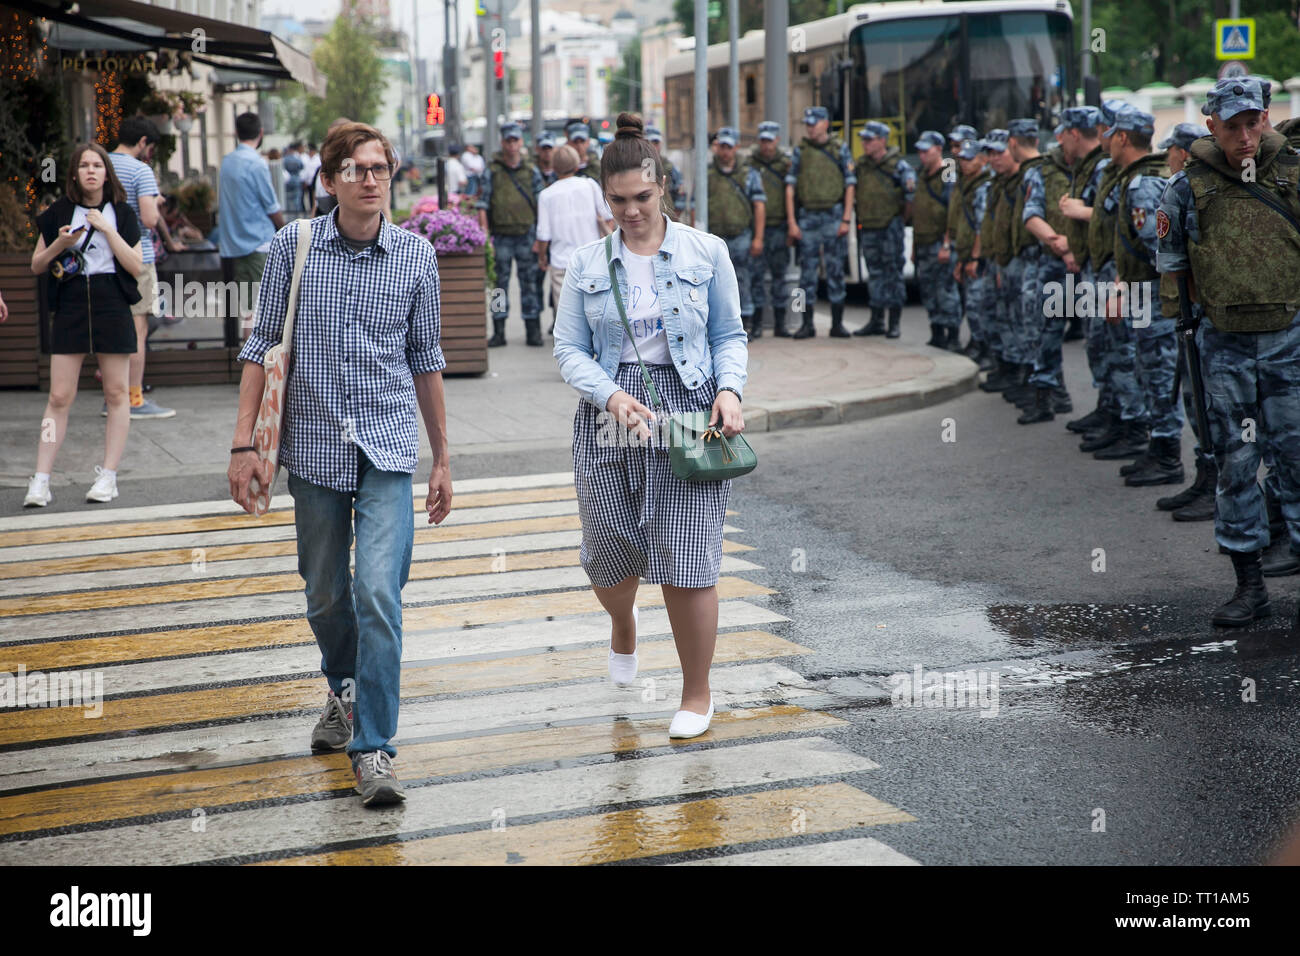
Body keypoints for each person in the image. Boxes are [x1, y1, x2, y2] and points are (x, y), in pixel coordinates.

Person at [229, 121, 453, 803]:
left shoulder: (417, 258)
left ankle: (374, 748)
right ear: (327, 181)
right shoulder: (292, 249)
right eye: (354, 169)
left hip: (387, 451)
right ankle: (343, 688)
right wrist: (243, 445)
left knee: (378, 595)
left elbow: (427, 362)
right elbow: (260, 348)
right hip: (316, 452)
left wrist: (443, 458)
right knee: (327, 595)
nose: (369, 178)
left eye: (380, 167)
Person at [552, 111, 749, 739]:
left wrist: (730, 388)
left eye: (641, 197)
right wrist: (609, 396)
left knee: (686, 556)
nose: (630, 211)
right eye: (617, 201)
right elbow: (568, 349)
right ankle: (623, 620)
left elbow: (728, 334)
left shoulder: (705, 251)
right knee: (607, 552)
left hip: (686, 410)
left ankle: (696, 693)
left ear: (662, 186)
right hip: (609, 414)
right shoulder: (586, 264)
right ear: (603, 197)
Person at [1156, 77, 1300, 627]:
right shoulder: (1187, 188)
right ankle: (1250, 587)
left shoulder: (1291, 173)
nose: (1244, 136)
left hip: (1290, 343)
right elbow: (1173, 268)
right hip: (1226, 350)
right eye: (1232, 127)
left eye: (1252, 123)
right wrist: (1189, 327)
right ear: (1212, 126)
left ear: (1264, 119)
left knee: (1296, 460)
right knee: (1235, 466)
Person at [24, 143, 144, 508]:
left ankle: (108, 475)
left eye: (97, 165)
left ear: (107, 173)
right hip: (72, 301)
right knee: (59, 396)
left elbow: (137, 266)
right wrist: (60, 242)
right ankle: (40, 478)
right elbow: (36, 265)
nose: (91, 171)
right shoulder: (57, 212)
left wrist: (108, 229)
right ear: (74, 174)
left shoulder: (122, 213)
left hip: (112, 301)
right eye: (83, 166)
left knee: (117, 393)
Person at [1106, 108, 1181, 483]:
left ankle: (1168, 453)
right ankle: (1159, 446)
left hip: (1153, 293)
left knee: (1159, 370)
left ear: (1122, 138)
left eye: (1111, 134)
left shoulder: (1141, 183)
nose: (1106, 140)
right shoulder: (1138, 177)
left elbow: (1159, 249)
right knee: (1149, 368)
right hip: (1144, 290)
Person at [1151, 120, 1216, 523]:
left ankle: (1218, 487)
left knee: (1213, 408)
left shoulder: (1196, 186)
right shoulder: (1181, 187)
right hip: (1189, 312)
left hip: (1212, 316)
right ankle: (1207, 479)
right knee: (1197, 404)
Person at [109, 116, 179, 420]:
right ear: (142, 143)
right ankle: (133, 399)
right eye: (149, 147)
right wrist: (154, 201)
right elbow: (150, 219)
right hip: (138, 257)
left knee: (113, 330)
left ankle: (113, 397)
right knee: (137, 329)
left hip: (106, 257)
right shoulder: (141, 170)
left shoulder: (100, 164)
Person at [1011, 117, 1077, 424]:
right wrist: (1058, 243)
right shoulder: (1042, 171)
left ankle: (1118, 414)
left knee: (1107, 337)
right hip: (1056, 264)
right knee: (1048, 332)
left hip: (1094, 264)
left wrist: (1077, 245)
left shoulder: (1100, 168)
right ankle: (1046, 397)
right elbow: (1031, 214)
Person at [1056, 106, 1114, 435]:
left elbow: (1115, 215)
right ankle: (1108, 409)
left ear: (1074, 133)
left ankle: (1125, 421)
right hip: (1093, 267)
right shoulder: (1087, 166)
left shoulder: (1102, 167)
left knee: (1113, 346)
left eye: (1062, 134)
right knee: (1098, 344)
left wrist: (1077, 211)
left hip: (1107, 269)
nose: (1060, 141)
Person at [786, 106, 859, 339]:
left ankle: (837, 324)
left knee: (836, 271)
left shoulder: (840, 148)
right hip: (808, 218)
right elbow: (790, 187)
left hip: (833, 216)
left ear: (826, 123)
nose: (810, 127)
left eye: (814, 123)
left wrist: (846, 218)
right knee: (805, 275)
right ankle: (805, 324)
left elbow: (850, 185)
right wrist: (792, 222)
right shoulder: (801, 151)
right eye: (807, 123)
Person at [218, 112, 285, 341]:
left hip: (234, 245)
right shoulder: (256, 164)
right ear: (261, 133)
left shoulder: (226, 162)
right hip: (259, 243)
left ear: (236, 133)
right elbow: (271, 204)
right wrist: (285, 230)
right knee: (260, 309)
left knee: (248, 308)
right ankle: (254, 363)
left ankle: (246, 359)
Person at [477, 122, 545, 347]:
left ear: (521, 142)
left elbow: (541, 205)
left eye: (516, 140)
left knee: (530, 284)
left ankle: (532, 329)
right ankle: (499, 329)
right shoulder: (492, 171)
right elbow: (483, 205)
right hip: (501, 237)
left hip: (526, 234)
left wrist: (539, 237)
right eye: (508, 140)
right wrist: (487, 239)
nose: (512, 145)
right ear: (502, 142)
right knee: (498, 286)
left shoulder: (531, 170)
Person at [534, 143, 614, 334]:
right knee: (595, 310)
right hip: (592, 258)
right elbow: (607, 217)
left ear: (553, 168)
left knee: (567, 316)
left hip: (561, 264)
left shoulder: (546, 195)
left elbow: (543, 235)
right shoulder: (589, 185)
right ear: (577, 164)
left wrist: (542, 258)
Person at [847, 121, 910, 338]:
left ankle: (894, 322)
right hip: (870, 227)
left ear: (882, 141)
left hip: (890, 227)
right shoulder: (861, 165)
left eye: (869, 140)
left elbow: (910, 198)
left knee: (893, 274)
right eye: (863, 139)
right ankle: (876, 320)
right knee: (874, 275)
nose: (865, 144)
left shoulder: (898, 165)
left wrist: (899, 220)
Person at [707, 127, 766, 341]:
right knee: (714, 283)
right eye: (721, 146)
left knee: (743, 280)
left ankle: (746, 322)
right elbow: (697, 205)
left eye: (729, 147)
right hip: (714, 238)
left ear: (736, 148)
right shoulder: (708, 174)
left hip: (741, 236)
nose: (725, 151)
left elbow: (759, 206)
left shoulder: (748, 174)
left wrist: (758, 238)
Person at [910, 130, 961, 350]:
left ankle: (953, 336)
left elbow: (952, 212)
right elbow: (917, 213)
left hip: (940, 243)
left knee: (945, 291)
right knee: (928, 290)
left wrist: (947, 244)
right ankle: (937, 332)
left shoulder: (947, 174)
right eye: (919, 151)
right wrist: (914, 245)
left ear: (939, 150)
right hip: (923, 242)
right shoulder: (922, 175)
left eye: (926, 151)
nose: (922, 155)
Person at [950, 138, 996, 369]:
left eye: (969, 159)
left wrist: (975, 258)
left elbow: (981, 227)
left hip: (980, 257)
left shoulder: (984, 186)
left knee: (980, 305)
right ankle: (979, 345)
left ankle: (988, 350)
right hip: (966, 253)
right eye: (962, 159)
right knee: (972, 305)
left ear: (982, 159)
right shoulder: (964, 183)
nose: (964, 163)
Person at [747, 120, 793, 338]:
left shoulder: (787, 164)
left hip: (781, 228)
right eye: (763, 140)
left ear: (777, 140)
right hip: (758, 229)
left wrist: (793, 226)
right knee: (756, 277)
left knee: (780, 277)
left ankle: (781, 323)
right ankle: (756, 324)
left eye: (770, 140)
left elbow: (795, 195)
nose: (766, 145)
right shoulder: (750, 164)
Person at [647, 125, 687, 219]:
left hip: (667, 220)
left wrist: (672, 218)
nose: (653, 146)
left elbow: (681, 194)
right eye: (649, 142)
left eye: (656, 142)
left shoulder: (669, 167)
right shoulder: (636, 167)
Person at [282, 141, 303, 213]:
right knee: (296, 198)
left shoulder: (284, 159)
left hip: (287, 180)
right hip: (296, 179)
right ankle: (296, 213)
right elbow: (301, 166)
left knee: (287, 198)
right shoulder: (297, 158)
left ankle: (289, 213)